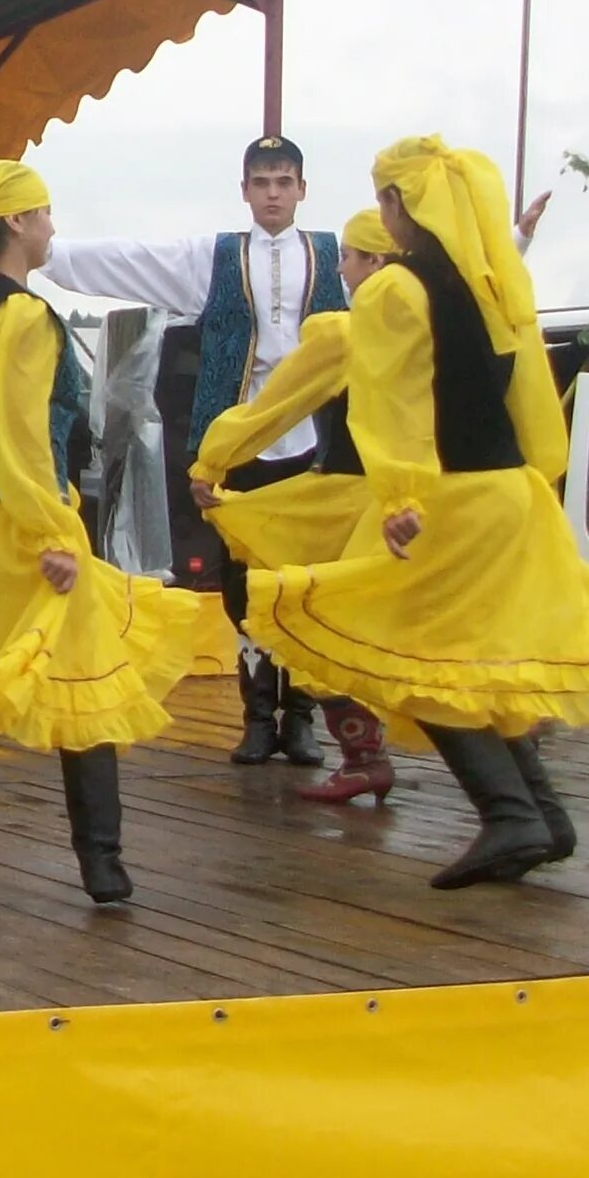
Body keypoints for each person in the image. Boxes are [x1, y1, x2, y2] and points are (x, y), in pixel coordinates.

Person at [241, 139, 589, 889]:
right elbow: (529, 393)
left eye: (386, 198)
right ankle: (541, 815)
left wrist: (401, 494)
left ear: (399, 205)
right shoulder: (488, 284)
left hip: (449, 497)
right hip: (511, 492)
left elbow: (394, 401)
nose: (384, 210)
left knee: (420, 659)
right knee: (477, 662)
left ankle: (511, 815)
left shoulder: (394, 291)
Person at [0, 160, 211, 909]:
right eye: (46, 213)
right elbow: (20, 437)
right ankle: (96, 861)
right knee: (77, 670)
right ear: (16, 223)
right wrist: (54, 530)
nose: (54, 226)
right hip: (15, 524)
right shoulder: (19, 314)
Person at [42, 133, 348, 769]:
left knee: (310, 578)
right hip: (237, 440)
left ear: (301, 189)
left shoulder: (335, 256)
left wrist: (510, 242)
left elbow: (413, 288)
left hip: (314, 442)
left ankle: (302, 719)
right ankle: (258, 715)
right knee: (243, 581)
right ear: (244, 191)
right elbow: (129, 260)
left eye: (283, 181)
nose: (272, 192)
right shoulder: (212, 258)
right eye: (261, 181)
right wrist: (41, 251)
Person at [192, 208, 400, 804]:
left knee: (309, 619)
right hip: (422, 507)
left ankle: (363, 752)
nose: (343, 268)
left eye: (354, 258)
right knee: (410, 633)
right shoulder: (432, 330)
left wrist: (212, 461)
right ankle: (507, 762)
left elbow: (273, 409)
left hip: (345, 504)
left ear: (376, 263)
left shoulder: (347, 336)